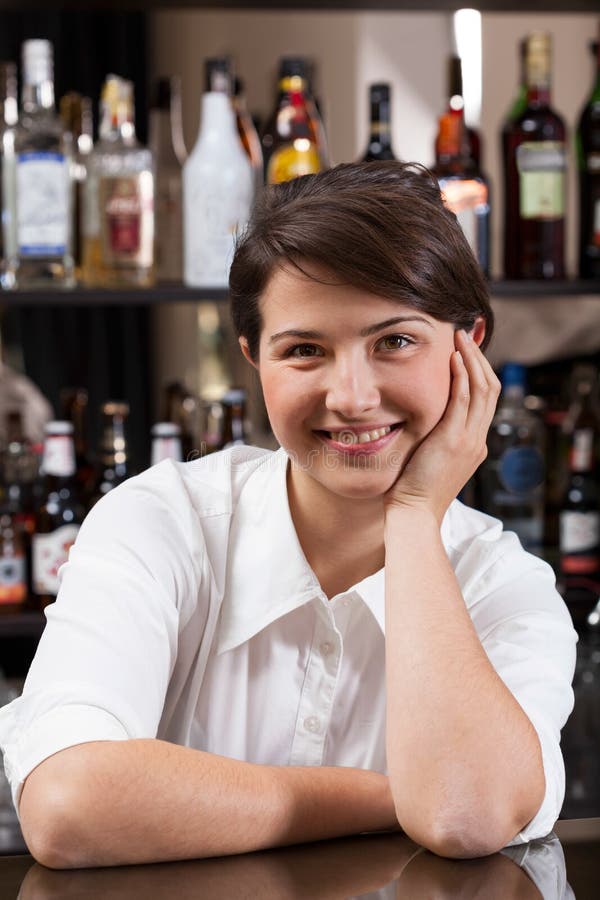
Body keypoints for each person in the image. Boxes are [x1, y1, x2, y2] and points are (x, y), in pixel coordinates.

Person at [0, 161, 577, 869]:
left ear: (469, 347)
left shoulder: (504, 586)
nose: (353, 396)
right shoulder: (162, 524)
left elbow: (466, 813)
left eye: (394, 341)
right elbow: (67, 808)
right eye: (305, 350)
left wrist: (416, 515)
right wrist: (389, 798)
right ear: (253, 358)